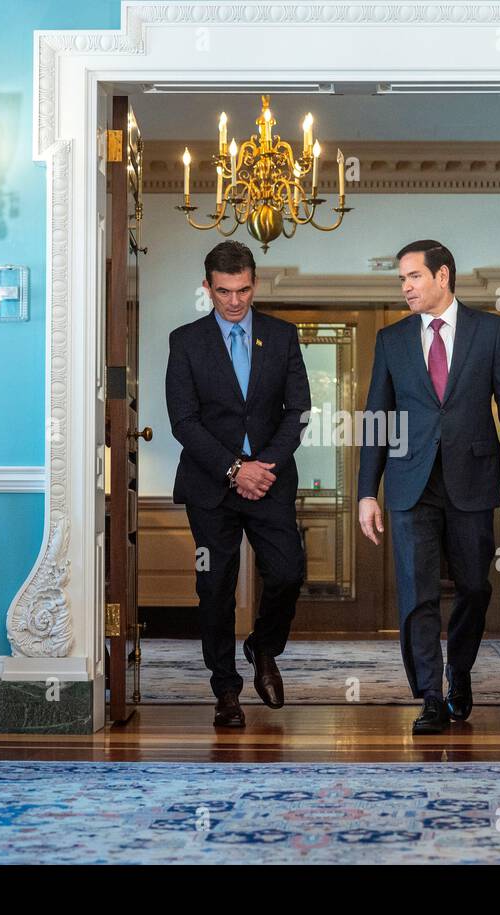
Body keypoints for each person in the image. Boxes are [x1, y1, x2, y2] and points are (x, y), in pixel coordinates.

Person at [357, 240, 500, 734]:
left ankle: (460, 671)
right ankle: (431, 696)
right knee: (417, 592)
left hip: (475, 480)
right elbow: (376, 418)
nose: (406, 287)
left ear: (443, 276)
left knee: (475, 587)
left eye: (413, 277)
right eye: (402, 280)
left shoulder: (490, 331)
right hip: (411, 482)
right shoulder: (391, 341)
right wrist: (368, 491)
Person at [166, 240, 311, 728]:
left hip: (270, 480)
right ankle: (226, 691)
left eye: (244, 289)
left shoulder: (283, 336)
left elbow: (299, 412)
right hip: (211, 488)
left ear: (255, 283)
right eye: (224, 291)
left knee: (288, 572)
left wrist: (261, 467)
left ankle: (263, 647)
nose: (234, 301)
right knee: (216, 587)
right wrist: (234, 470)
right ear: (207, 287)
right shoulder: (185, 342)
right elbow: (183, 422)